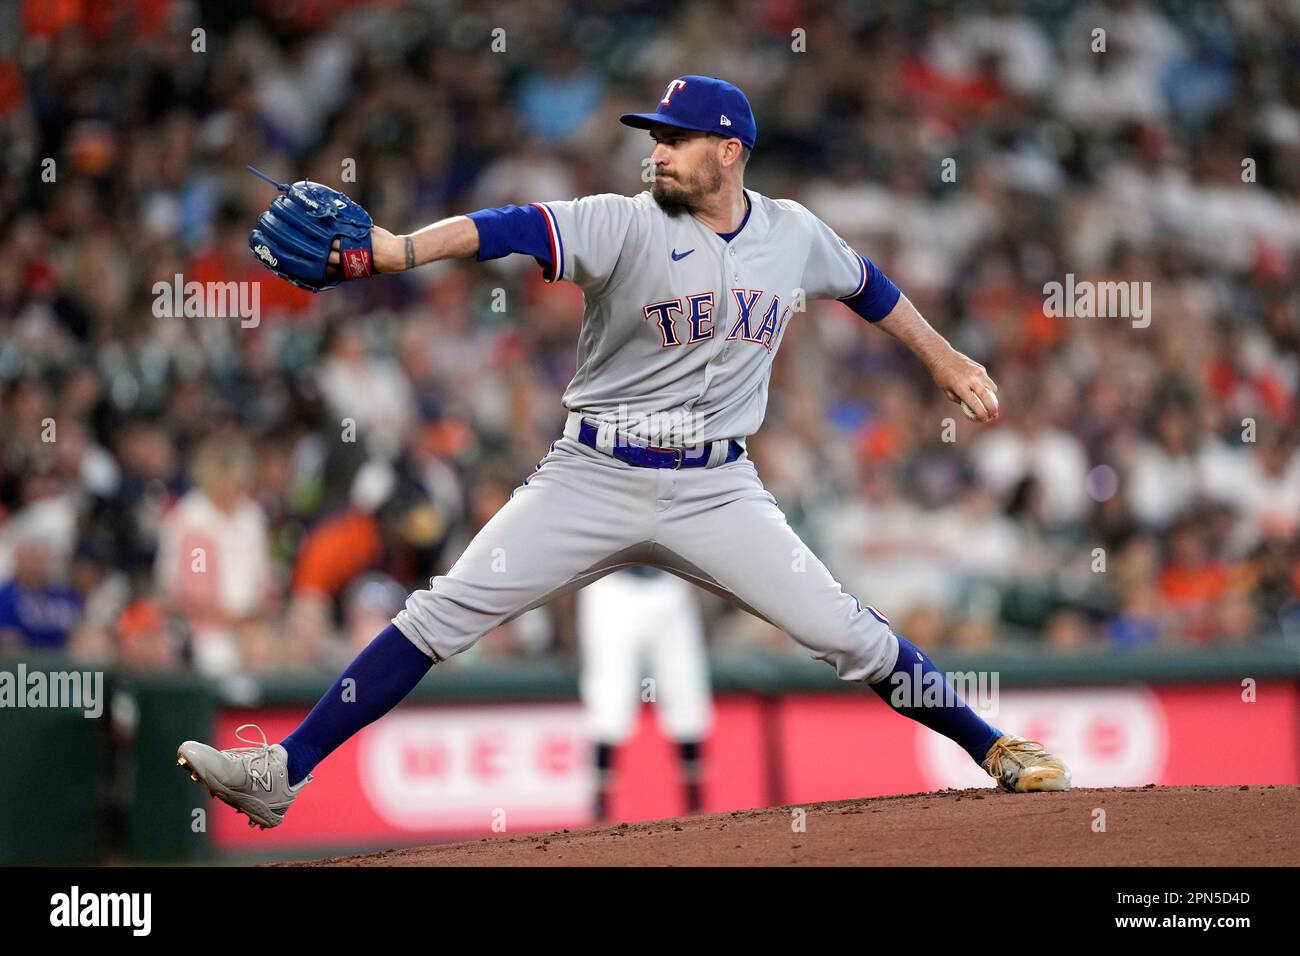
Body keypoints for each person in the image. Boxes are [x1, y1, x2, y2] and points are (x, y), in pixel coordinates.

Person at [179, 76, 1069, 830]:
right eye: (655, 139)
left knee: (848, 632)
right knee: (443, 613)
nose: (658, 153)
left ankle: (992, 747)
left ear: (729, 151)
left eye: (676, 140)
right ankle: (283, 771)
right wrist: (397, 251)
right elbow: (510, 226)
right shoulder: (623, 221)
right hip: (593, 474)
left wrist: (945, 359)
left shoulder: (792, 232)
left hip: (718, 488)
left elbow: (871, 288)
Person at [576, 566, 712, 822]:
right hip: (612, 585)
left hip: (669, 580)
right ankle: (600, 810)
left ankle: (696, 804)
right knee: (610, 697)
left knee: (685, 690)